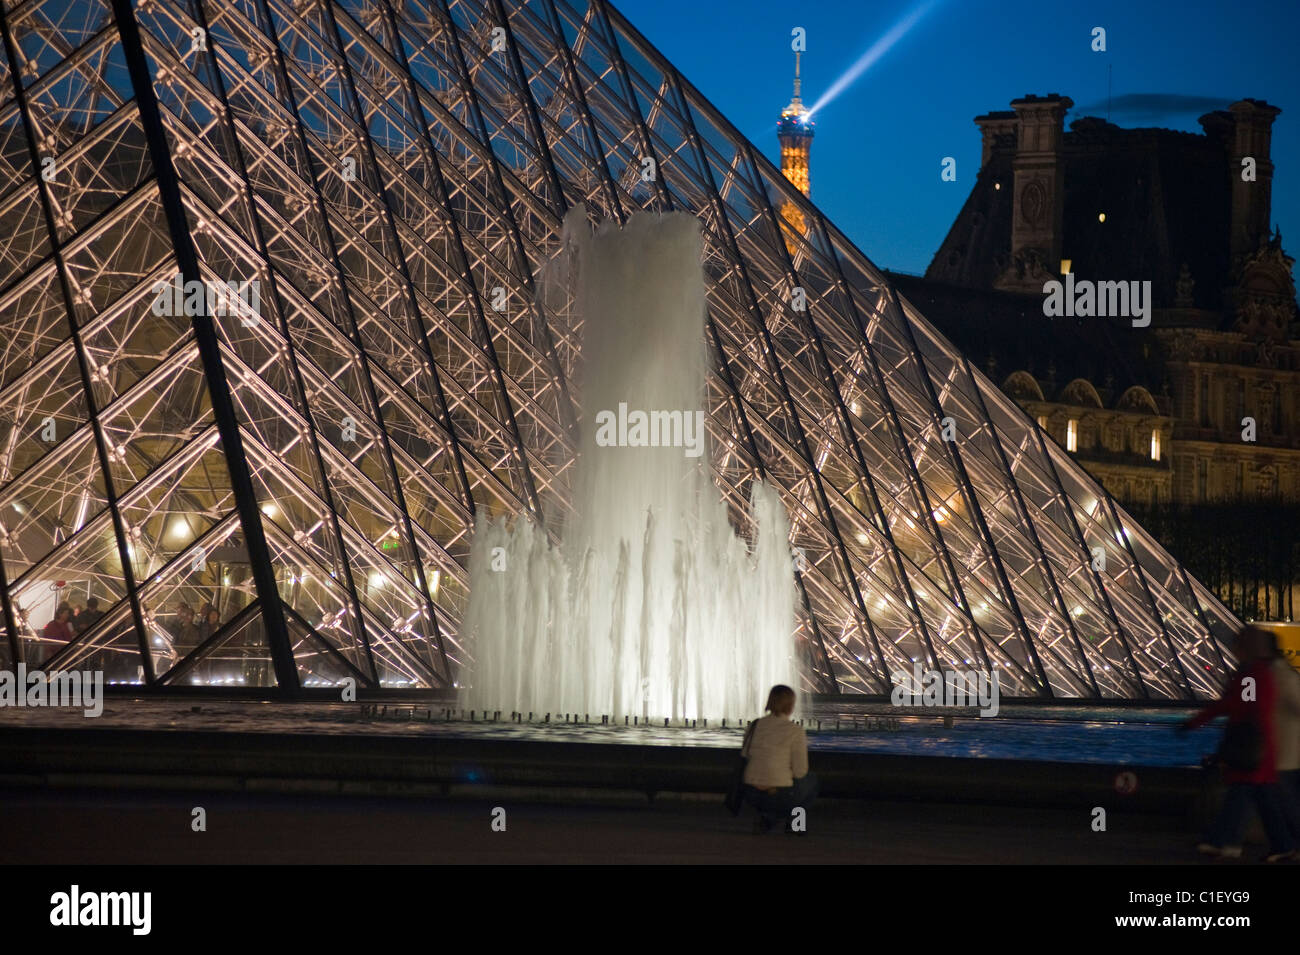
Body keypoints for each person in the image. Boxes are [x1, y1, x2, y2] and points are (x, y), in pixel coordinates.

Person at [1183, 626, 1296, 861]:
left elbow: (1240, 705)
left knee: (1244, 794)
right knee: (1260, 798)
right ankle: (1279, 844)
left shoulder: (1252, 673)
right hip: (1261, 744)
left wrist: (1197, 722)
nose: (1233, 649)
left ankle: (1227, 842)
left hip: (1252, 744)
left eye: (1237, 645)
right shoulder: (1262, 671)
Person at [740, 684, 818, 834]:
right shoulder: (795, 731)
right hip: (780, 794)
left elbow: (744, 755)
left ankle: (767, 818)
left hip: (751, 792)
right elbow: (800, 771)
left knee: (791, 789)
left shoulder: (754, 726)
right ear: (791, 706)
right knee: (810, 782)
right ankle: (796, 825)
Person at [1271, 635, 1300, 842]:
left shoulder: (1256, 675)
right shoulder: (1286, 675)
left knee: (1284, 799)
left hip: (1278, 750)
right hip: (1281, 749)